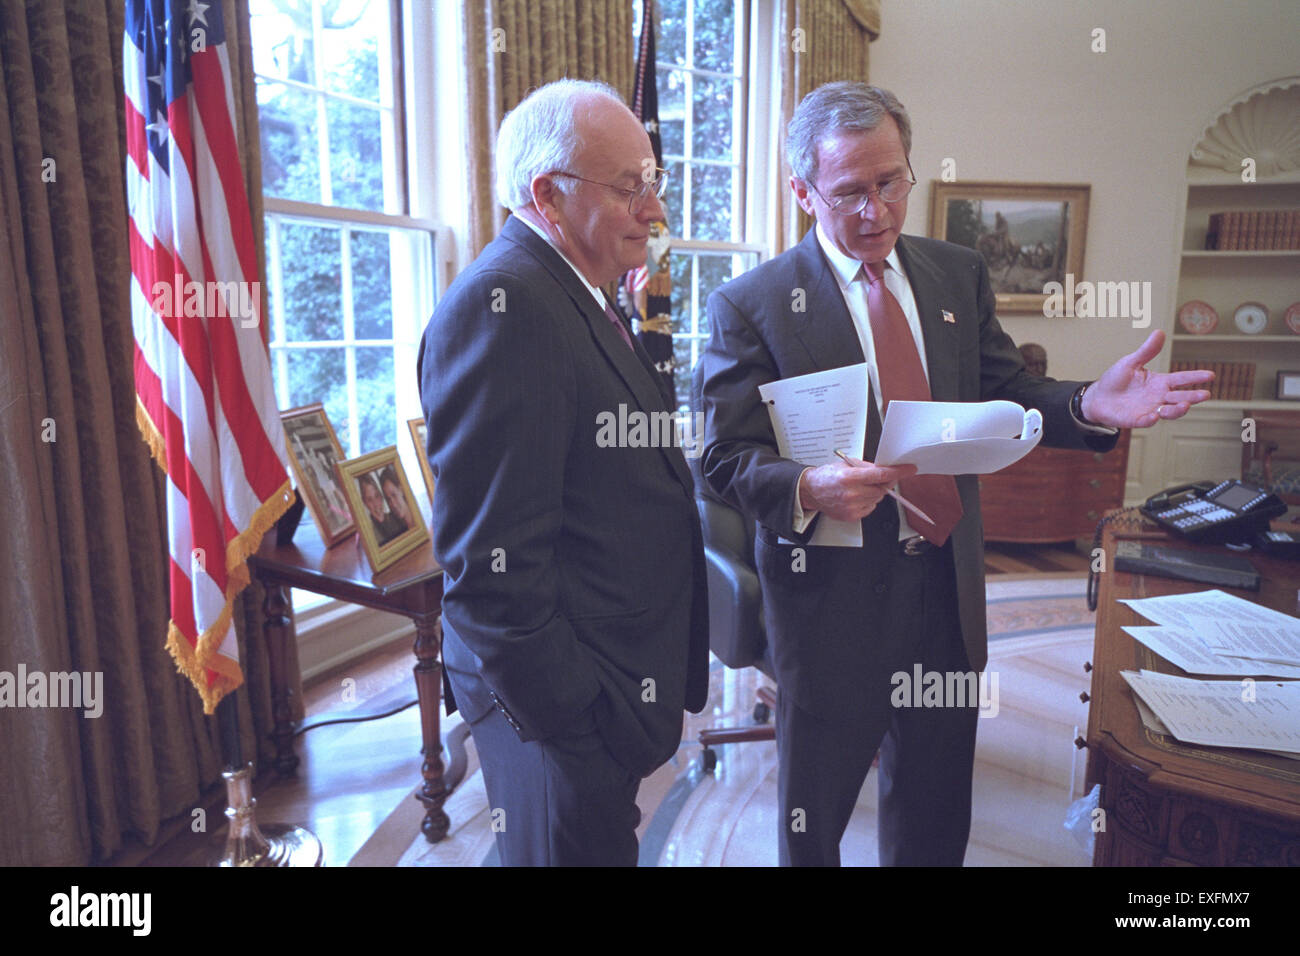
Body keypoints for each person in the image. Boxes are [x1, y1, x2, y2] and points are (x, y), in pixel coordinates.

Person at [697, 82, 1212, 867]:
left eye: (890, 182)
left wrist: (1091, 404)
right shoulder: (752, 305)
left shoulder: (953, 274)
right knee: (815, 825)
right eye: (849, 193)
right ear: (800, 190)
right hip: (828, 609)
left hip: (944, 595)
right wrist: (805, 489)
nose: (877, 211)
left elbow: (1008, 390)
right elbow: (724, 459)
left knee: (936, 816)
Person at [416, 79, 709, 866]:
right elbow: (491, 575)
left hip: (608, 684)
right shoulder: (505, 308)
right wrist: (579, 731)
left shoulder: (579, 293)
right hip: (559, 720)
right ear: (547, 194)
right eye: (630, 188)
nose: (655, 210)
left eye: (654, 183)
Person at [359, 473, 405, 546]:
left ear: (381, 496)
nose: (376, 504)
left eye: (377, 496)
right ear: (365, 503)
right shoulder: (369, 535)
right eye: (369, 500)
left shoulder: (397, 517)